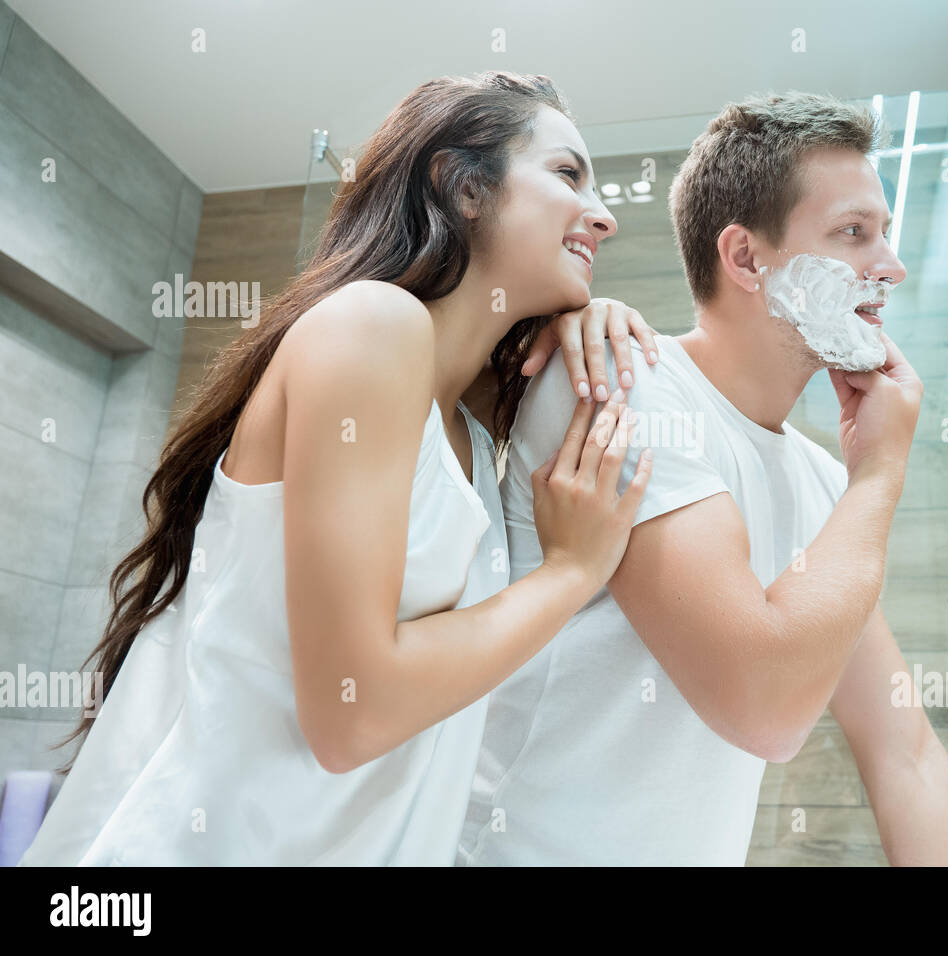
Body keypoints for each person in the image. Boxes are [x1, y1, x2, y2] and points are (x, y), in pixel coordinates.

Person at [19, 71, 653, 866]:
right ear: (462, 187)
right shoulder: (371, 326)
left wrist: (595, 314)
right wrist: (569, 572)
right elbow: (351, 718)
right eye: (567, 174)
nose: (605, 214)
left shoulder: (462, 419)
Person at [458, 91, 948, 866]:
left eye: (885, 234)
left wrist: (862, 480)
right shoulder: (622, 381)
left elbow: (904, 750)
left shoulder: (815, 476)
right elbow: (765, 706)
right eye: (853, 234)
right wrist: (879, 475)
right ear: (744, 258)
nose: (890, 267)